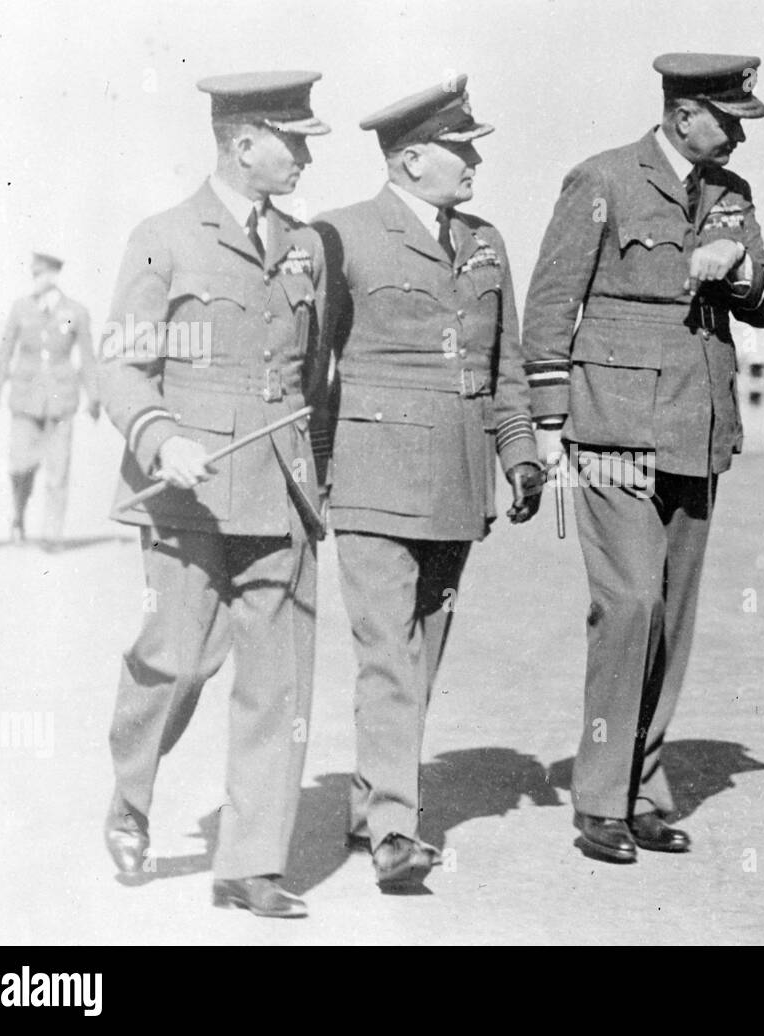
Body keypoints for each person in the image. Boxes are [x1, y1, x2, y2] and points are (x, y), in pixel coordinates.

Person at [521, 53, 764, 863]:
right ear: (682, 116)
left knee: (670, 618)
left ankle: (642, 790)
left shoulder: (732, 196)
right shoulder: (602, 180)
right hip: (612, 429)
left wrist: (738, 268)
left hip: (697, 429)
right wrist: (547, 420)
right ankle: (601, 797)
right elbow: (551, 303)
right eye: (729, 118)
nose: (740, 134)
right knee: (629, 605)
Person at [98, 71, 331, 917]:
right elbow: (122, 361)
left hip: (280, 486)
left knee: (278, 680)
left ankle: (251, 860)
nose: (305, 154)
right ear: (244, 143)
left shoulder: (307, 246)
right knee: (177, 660)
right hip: (189, 492)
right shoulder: (165, 237)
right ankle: (130, 798)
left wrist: (318, 477)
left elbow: (317, 376)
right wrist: (163, 437)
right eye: (294, 140)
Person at [314, 75, 543, 892]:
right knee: (386, 652)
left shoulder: (487, 241)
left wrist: (520, 454)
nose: (473, 161)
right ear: (410, 160)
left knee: (420, 656)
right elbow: (314, 367)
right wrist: (315, 476)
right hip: (372, 478)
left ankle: (370, 802)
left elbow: (504, 363)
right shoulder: (338, 236)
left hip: (457, 480)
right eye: (459, 149)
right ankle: (394, 834)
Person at [0, 251, 99, 550]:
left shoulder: (76, 311)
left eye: (39, 275)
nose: (35, 280)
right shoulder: (20, 308)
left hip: (61, 400)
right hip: (25, 399)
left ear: (52, 276)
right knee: (20, 465)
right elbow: (5, 351)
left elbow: (88, 359)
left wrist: (94, 397)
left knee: (58, 468)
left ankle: (53, 534)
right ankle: (18, 516)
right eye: (33, 275)